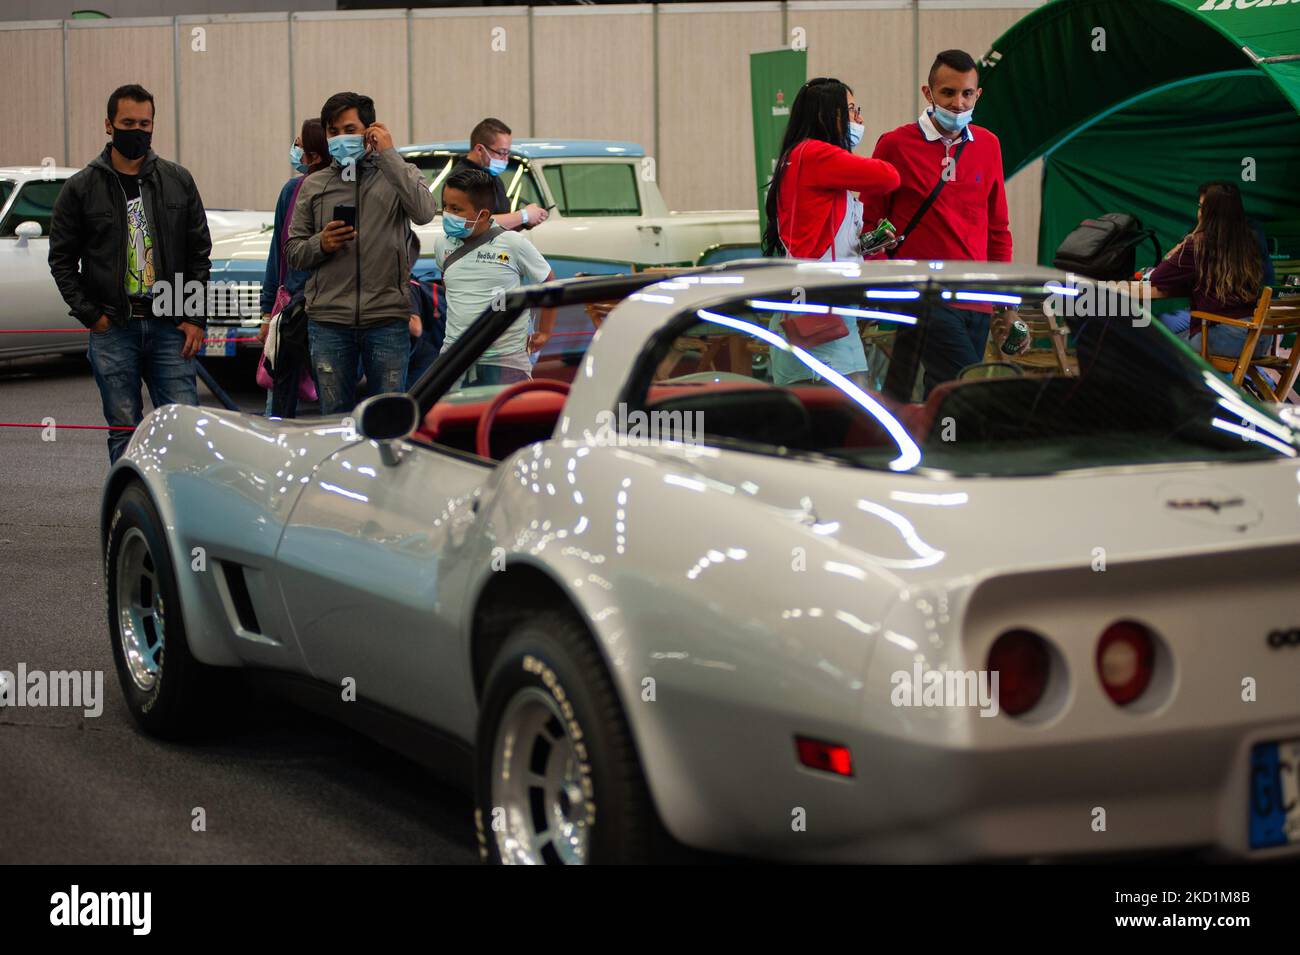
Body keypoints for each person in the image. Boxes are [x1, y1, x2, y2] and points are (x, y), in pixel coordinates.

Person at [48, 83, 211, 463]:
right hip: (113, 328)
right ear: (109, 125)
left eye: (145, 123)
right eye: (128, 122)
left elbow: (198, 253)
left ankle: (184, 515)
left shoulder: (178, 180)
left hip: (171, 326)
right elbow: (61, 261)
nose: (138, 130)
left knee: (184, 428)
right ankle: (130, 513)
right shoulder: (80, 188)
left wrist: (194, 316)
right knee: (124, 430)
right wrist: (93, 316)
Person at [863, 50, 1019, 395]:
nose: (958, 103)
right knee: (971, 386)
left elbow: (998, 231)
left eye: (967, 94)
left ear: (978, 95)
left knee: (943, 396)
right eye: (948, 93)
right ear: (928, 93)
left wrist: (1006, 305)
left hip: (976, 299)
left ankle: (938, 446)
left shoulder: (989, 145)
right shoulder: (894, 145)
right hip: (924, 297)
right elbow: (869, 223)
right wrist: (891, 288)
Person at [284, 91, 437, 414]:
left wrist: (389, 154)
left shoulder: (396, 175)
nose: (340, 138)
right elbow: (294, 252)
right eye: (333, 132)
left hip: (387, 319)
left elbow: (424, 211)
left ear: (370, 131)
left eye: (349, 130)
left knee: (389, 417)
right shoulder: (314, 186)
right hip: (327, 321)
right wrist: (320, 244)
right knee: (334, 418)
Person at [760, 77, 900, 386]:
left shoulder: (797, 155)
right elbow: (888, 176)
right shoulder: (816, 154)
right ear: (827, 115)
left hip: (815, 310)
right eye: (851, 110)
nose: (859, 119)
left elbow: (824, 234)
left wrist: (864, 244)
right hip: (821, 317)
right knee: (853, 418)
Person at [434, 167, 556, 386]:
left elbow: (549, 284)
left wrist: (544, 332)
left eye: (456, 209)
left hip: (505, 361)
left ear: (483, 215)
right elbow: (449, 286)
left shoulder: (513, 243)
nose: (447, 214)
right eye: (445, 206)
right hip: (454, 358)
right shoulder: (442, 244)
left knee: (503, 418)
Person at [1149, 182, 1271, 359]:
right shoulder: (1249, 241)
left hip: (1228, 338)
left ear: (1208, 212)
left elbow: (1157, 277)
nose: (1198, 212)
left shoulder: (1198, 244)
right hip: (1259, 338)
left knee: (1159, 346)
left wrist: (1179, 248)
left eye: (1201, 206)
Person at [258, 118, 329, 418]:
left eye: (299, 144)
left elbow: (280, 255)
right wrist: (266, 312)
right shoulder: (291, 190)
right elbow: (278, 253)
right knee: (282, 398)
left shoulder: (338, 192)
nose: (295, 148)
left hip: (322, 309)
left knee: (327, 396)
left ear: (313, 154)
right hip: (291, 311)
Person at [452, 117, 548, 231]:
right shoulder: (461, 180)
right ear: (479, 150)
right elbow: (472, 224)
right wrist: (523, 216)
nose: (506, 159)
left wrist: (525, 223)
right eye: (501, 152)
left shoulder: (492, 177)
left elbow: (499, 226)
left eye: (508, 153)